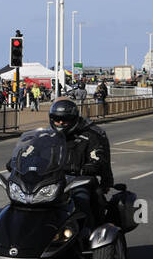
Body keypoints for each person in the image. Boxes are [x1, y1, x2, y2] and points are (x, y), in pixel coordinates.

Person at [48, 97, 114, 226]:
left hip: (79, 181)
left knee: (81, 200)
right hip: (50, 182)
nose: (60, 122)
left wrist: (92, 165)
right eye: (56, 119)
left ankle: (87, 233)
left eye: (65, 120)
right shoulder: (48, 136)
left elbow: (98, 156)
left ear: (73, 119)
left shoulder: (90, 135)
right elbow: (33, 151)